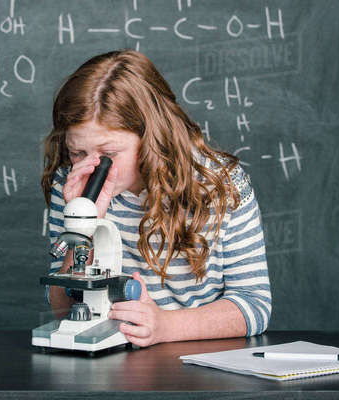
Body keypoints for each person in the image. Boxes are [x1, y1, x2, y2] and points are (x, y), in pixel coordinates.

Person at [40, 49, 271, 347]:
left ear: (151, 137)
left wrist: (165, 326)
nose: (93, 167)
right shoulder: (72, 183)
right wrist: (83, 227)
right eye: (77, 152)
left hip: (195, 360)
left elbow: (254, 305)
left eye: (108, 154)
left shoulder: (221, 184)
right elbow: (61, 306)